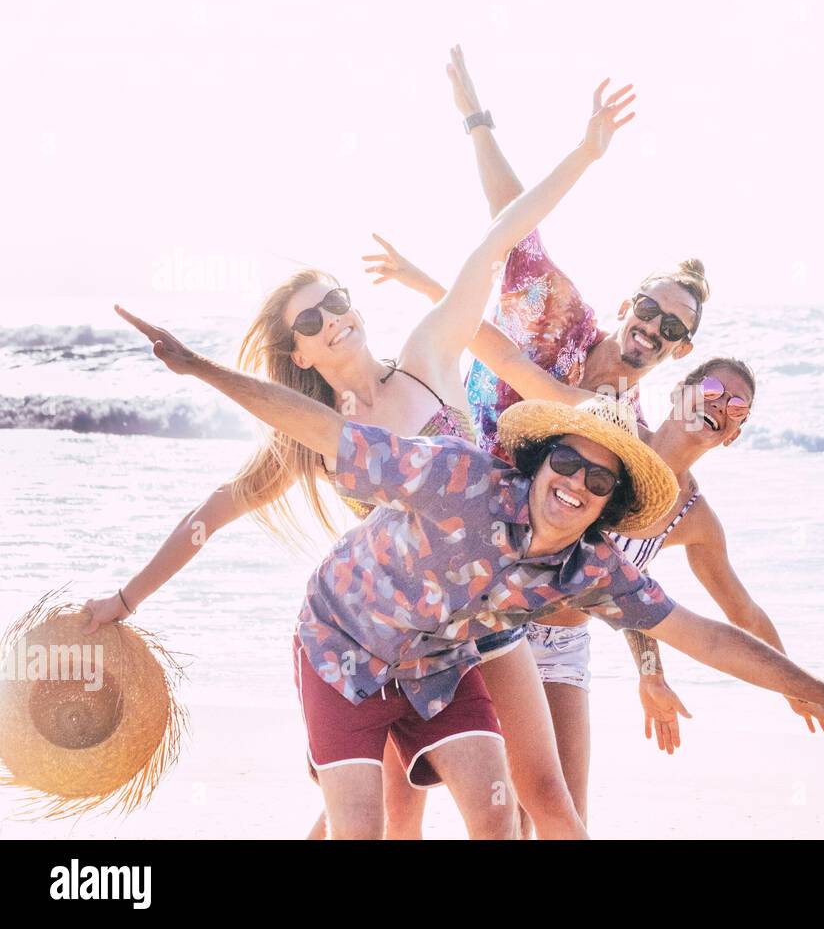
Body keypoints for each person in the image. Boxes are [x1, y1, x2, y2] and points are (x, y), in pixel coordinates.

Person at [112, 306, 824, 840]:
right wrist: (200, 370)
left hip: (439, 665)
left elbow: (707, 635)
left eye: (598, 481)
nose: (575, 484)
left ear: (609, 504)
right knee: (360, 832)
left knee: (501, 819)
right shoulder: (458, 476)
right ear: (541, 459)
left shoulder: (592, 566)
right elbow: (325, 432)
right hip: (343, 648)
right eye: (566, 462)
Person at [84, 77, 641, 839]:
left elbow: (497, 242)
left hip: (489, 610)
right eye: (310, 319)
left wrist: (584, 151)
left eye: (336, 300)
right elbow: (208, 515)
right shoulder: (310, 440)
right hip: (393, 639)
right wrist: (125, 601)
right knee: (381, 816)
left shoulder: (429, 356)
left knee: (539, 794)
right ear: (300, 351)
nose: (332, 319)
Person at [436, 44, 707, 455]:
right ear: (625, 307)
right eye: (649, 310)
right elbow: (514, 222)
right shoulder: (563, 312)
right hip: (441, 454)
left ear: (681, 349)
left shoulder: (624, 424)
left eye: (671, 328)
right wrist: (476, 120)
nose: (652, 328)